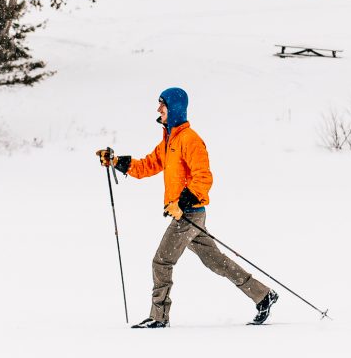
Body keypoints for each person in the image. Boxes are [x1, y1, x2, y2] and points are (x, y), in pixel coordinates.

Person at [98, 87, 278, 328]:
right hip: (188, 213)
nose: (158, 109)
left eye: (162, 105)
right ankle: (262, 294)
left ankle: (159, 316)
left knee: (161, 261)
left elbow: (203, 178)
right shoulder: (169, 141)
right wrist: (117, 161)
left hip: (189, 214)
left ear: (174, 108)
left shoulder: (190, 140)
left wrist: (181, 203)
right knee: (216, 261)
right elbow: (147, 166)